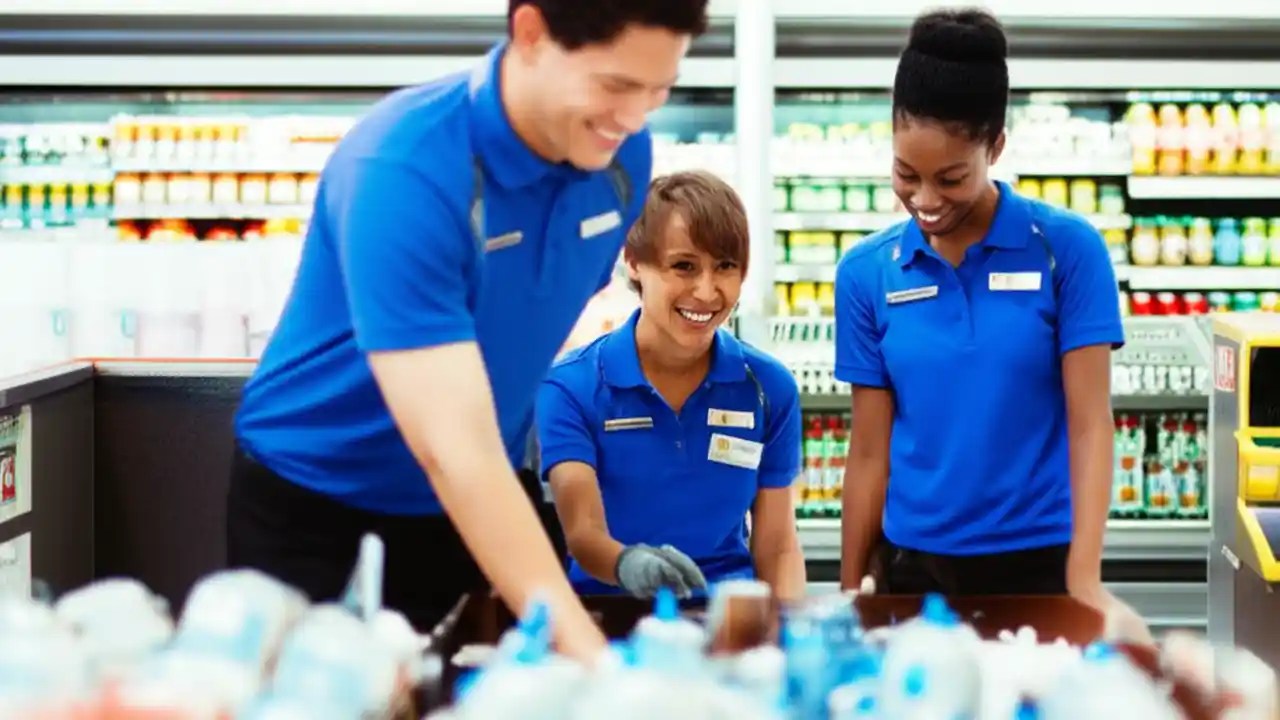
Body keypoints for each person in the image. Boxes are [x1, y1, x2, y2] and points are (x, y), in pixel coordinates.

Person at [227, 0, 710, 662]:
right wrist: (596, 662)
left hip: (471, 500)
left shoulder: (624, 160)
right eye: (615, 85)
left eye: (658, 90)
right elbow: (455, 450)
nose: (634, 117)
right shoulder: (405, 167)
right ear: (532, 34)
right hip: (314, 499)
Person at [834, 8, 1150, 640]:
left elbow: (1091, 424)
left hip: (1038, 563)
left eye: (951, 178)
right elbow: (869, 449)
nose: (925, 199)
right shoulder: (866, 272)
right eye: (906, 175)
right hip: (914, 566)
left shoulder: (1067, 249)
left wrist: (1083, 578)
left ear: (995, 147)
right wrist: (851, 587)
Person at [536, 170, 807, 601]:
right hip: (608, 622)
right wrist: (628, 565)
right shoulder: (572, 387)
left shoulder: (768, 388)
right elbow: (583, 534)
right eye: (683, 266)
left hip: (725, 623)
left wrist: (788, 633)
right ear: (634, 262)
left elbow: (776, 545)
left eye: (725, 267)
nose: (706, 291)